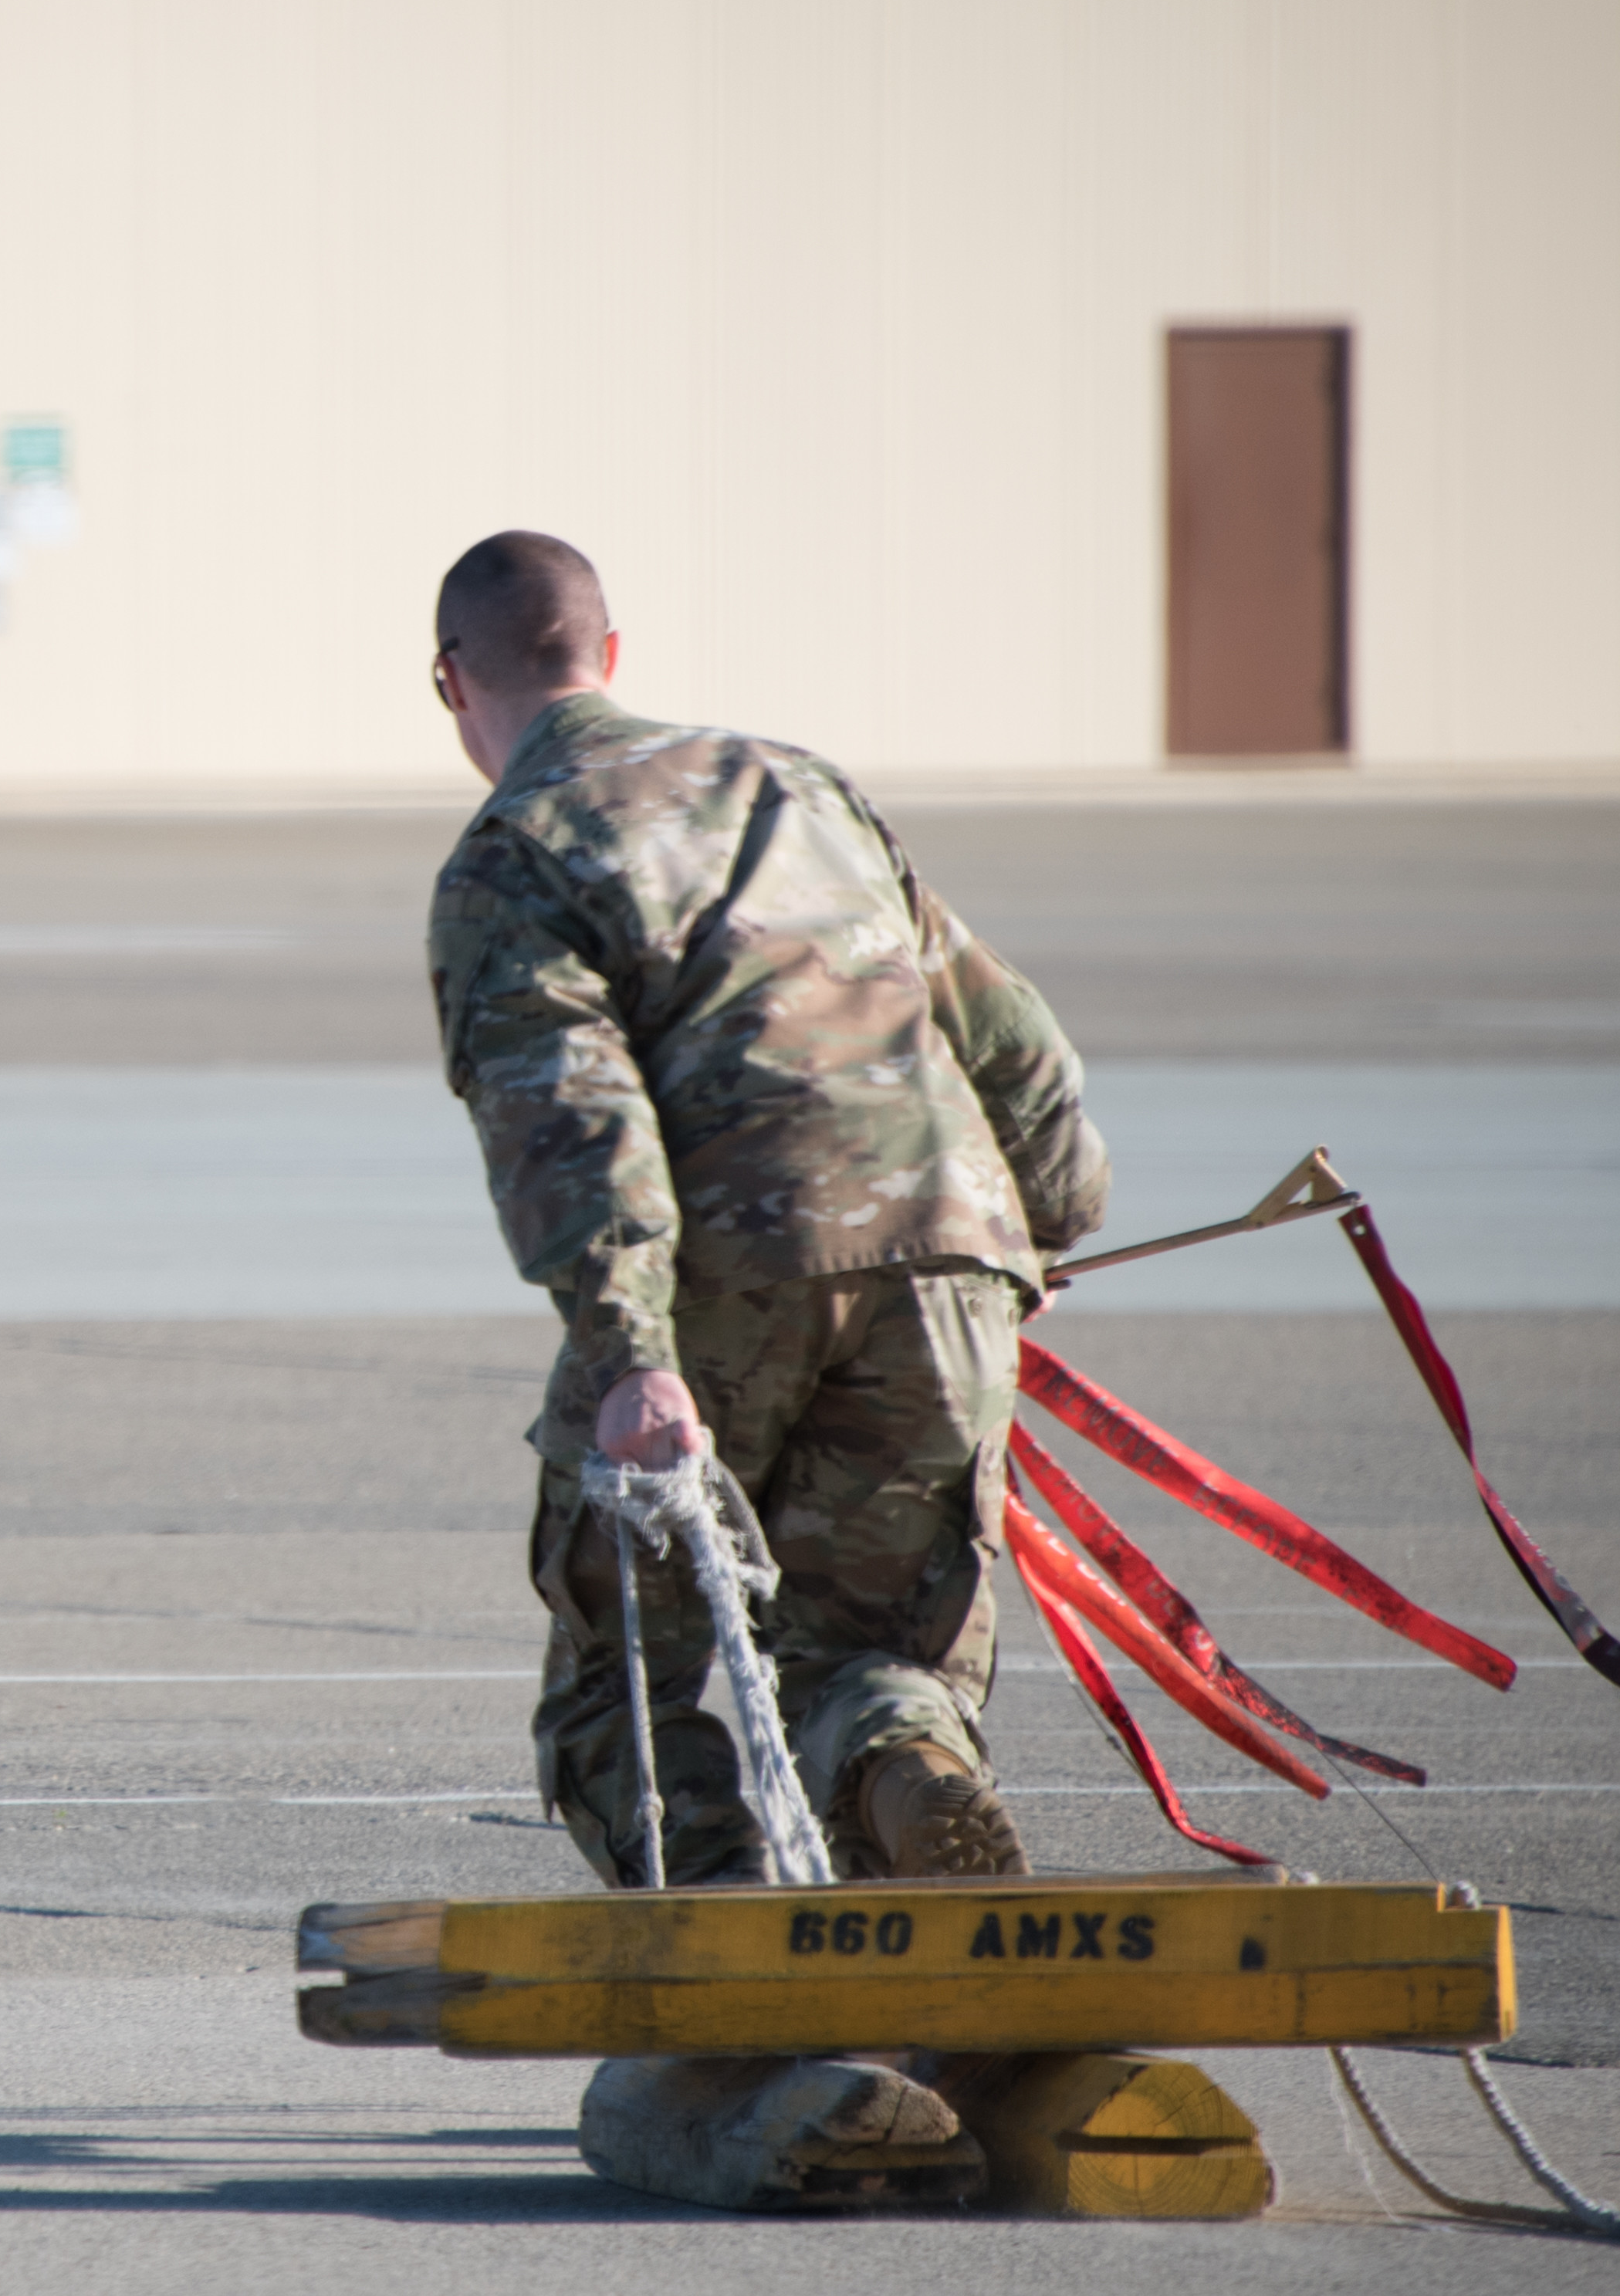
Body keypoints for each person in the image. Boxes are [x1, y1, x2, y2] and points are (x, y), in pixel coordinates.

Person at [425, 530, 1110, 1888]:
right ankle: (907, 1775)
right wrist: (1041, 1222)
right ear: (609, 657)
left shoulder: (518, 851)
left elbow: (574, 1118)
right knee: (880, 1655)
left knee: (623, 1675)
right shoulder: (793, 783)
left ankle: (740, 1978)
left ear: (451, 684)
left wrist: (627, 1358)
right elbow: (1011, 1034)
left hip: (734, 1274)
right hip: (945, 1257)